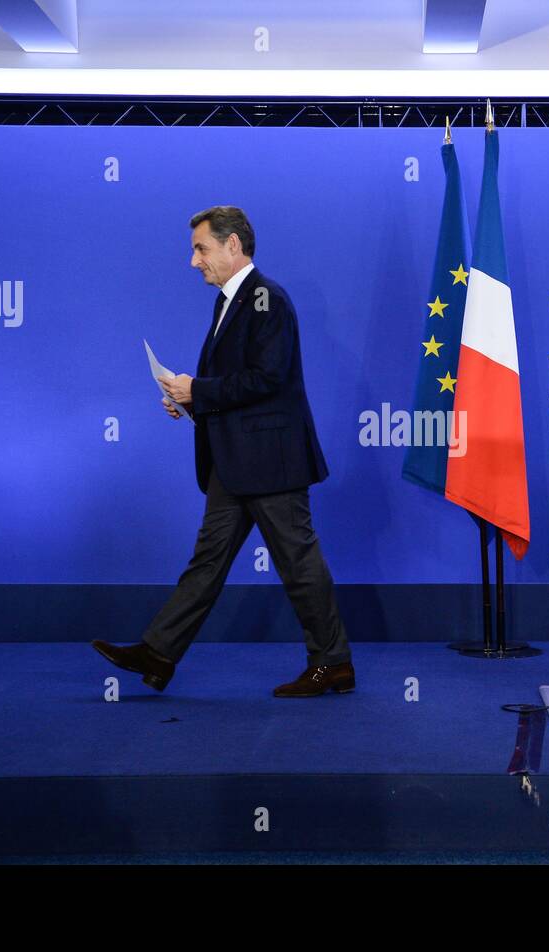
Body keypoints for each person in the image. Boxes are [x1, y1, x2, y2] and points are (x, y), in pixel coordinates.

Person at [92, 206, 354, 698]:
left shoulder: (265, 300)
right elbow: (236, 385)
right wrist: (192, 404)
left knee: (299, 566)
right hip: (235, 464)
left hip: (270, 463)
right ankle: (158, 652)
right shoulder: (230, 302)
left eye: (201, 248)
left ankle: (333, 665)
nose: (194, 261)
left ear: (233, 245)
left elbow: (268, 378)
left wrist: (201, 392)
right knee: (207, 563)